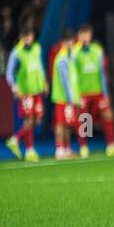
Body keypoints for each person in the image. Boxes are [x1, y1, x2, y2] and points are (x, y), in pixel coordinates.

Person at [72, 24, 114, 157]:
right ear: (78, 36)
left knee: (108, 114)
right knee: (84, 120)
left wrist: (105, 93)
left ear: (91, 36)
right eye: (82, 34)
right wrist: (75, 95)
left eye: (87, 34)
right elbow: (72, 75)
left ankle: (111, 145)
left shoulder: (97, 50)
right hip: (82, 93)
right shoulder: (74, 53)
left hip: (98, 91)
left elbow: (102, 73)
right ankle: (83, 147)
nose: (85, 37)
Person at [4, 21, 47, 162]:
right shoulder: (17, 52)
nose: (27, 39)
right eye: (24, 37)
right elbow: (9, 72)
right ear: (21, 38)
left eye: (29, 36)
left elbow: (39, 66)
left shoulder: (37, 48)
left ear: (33, 37)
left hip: (36, 90)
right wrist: (14, 87)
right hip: (25, 92)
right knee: (29, 119)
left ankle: (16, 140)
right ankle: (30, 150)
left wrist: (44, 81)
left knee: (36, 120)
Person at [50, 26, 84, 160]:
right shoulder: (62, 58)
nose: (70, 43)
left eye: (71, 40)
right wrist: (71, 99)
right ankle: (59, 149)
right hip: (63, 98)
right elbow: (64, 82)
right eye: (67, 41)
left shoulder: (71, 55)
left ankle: (67, 148)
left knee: (68, 124)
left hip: (70, 97)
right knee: (61, 124)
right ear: (62, 42)